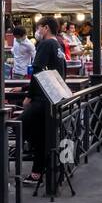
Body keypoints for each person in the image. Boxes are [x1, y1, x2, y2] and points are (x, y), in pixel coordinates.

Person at [21, 16, 68, 184]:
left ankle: (38, 168)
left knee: (21, 127)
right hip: (54, 97)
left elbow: (37, 71)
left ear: (46, 28)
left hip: (42, 98)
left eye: (39, 27)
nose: (38, 31)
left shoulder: (46, 44)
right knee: (40, 135)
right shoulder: (58, 44)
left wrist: (29, 95)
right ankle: (39, 171)